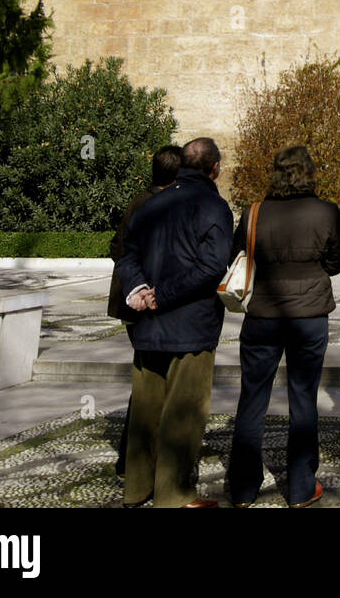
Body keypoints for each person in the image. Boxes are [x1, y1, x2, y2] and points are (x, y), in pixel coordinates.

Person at [226, 145, 340, 509]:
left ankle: (244, 489)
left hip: (262, 315)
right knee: (303, 398)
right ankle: (300, 487)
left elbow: (237, 255)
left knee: (252, 399)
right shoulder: (326, 211)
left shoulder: (254, 212)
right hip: (309, 317)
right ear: (309, 172)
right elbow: (337, 261)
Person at [114, 137, 233, 508]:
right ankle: (174, 496)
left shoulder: (151, 202)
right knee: (183, 414)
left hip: (147, 323)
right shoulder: (214, 206)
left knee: (145, 414)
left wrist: (138, 291)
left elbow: (125, 253)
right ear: (214, 169)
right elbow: (212, 268)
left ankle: (136, 489)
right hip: (189, 328)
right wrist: (159, 295)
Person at [107, 143, 183, 478]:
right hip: (151, 302)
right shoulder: (166, 204)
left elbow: (118, 247)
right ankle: (144, 458)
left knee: (148, 376)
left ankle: (133, 459)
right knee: (155, 379)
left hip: (135, 301)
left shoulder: (139, 200)